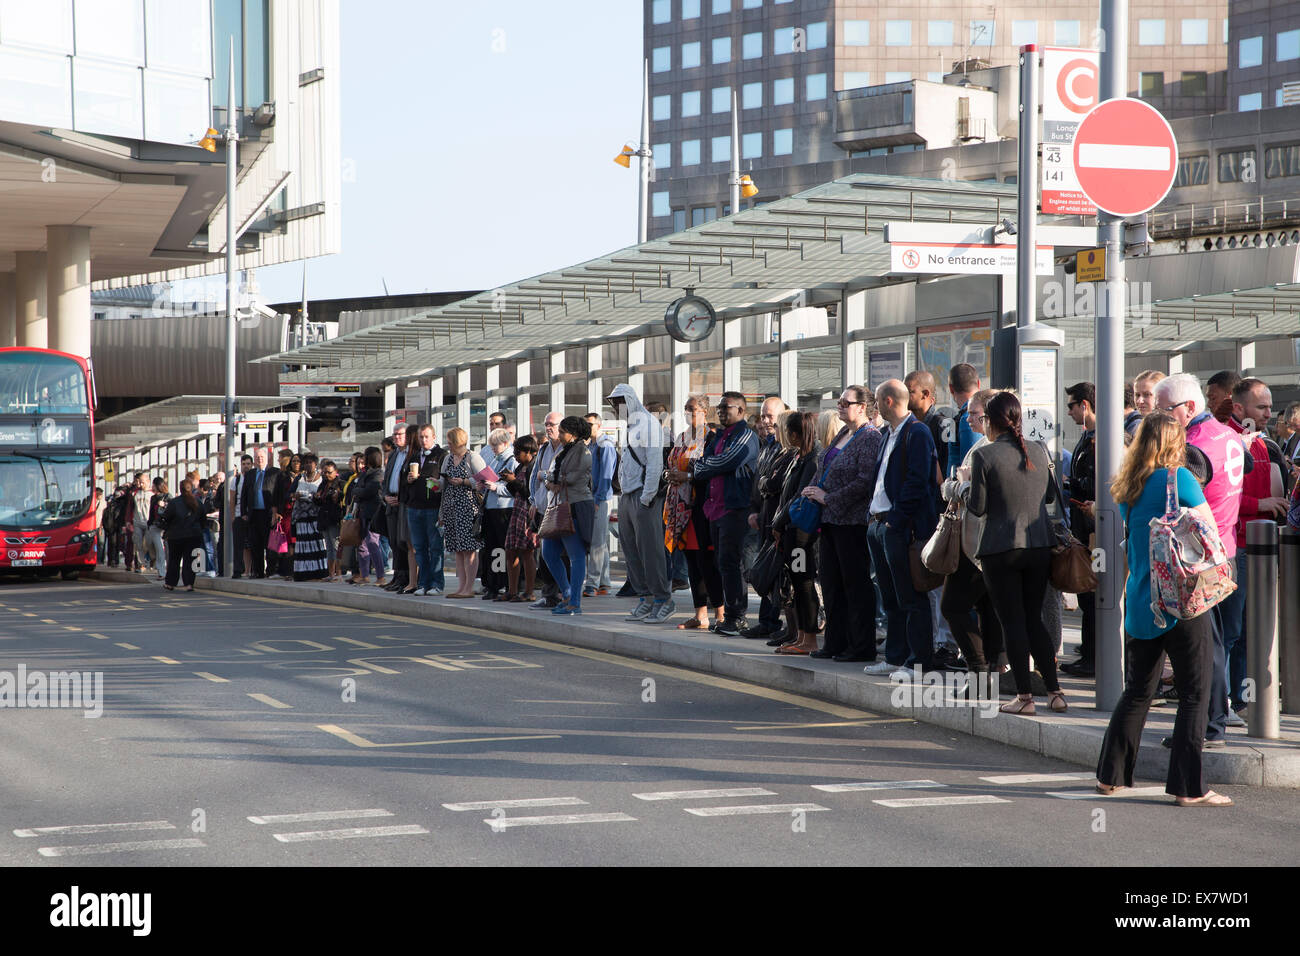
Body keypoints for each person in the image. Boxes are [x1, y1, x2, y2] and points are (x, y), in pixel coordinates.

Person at [1096, 412, 1232, 806]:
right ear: (1176, 443)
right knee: (1194, 693)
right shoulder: (1181, 479)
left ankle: (1111, 776)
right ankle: (1189, 788)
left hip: (1142, 600)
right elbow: (1208, 531)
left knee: (1138, 690)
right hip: (1182, 601)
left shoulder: (1129, 486)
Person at [963, 391, 1064, 713]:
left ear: (991, 422)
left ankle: (1024, 698)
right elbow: (1049, 497)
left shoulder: (985, 456)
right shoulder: (1036, 449)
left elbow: (977, 508)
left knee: (1012, 623)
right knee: (1034, 620)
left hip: (1000, 548)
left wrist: (965, 486)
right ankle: (1056, 693)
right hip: (1038, 546)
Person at [1157, 372, 1242, 749]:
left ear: (1188, 408)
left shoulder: (1194, 446)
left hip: (1201, 560)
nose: (1158, 418)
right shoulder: (1229, 435)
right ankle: (1212, 723)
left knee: (1205, 648)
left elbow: (1182, 504)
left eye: (1164, 410)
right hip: (1227, 550)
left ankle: (1209, 727)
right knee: (1216, 643)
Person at [801, 386, 882, 662]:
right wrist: (811, 490)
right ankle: (834, 643)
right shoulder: (844, 432)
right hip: (830, 520)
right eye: (839, 401)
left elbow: (864, 480)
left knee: (855, 585)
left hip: (851, 521)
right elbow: (824, 468)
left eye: (846, 402)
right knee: (831, 583)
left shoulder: (870, 437)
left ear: (862, 407)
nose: (840, 406)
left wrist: (829, 498)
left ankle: (860, 646)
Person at [867, 379, 940, 677]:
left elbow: (918, 480)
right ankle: (895, 658)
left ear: (887, 402)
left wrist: (897, 519)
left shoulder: (917, 432)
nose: (873, 407)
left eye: (875, 401)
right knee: (891, 597)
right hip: (877, 524)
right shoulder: (888, 433)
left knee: (911, 596)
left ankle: (919, 662)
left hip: (899, 527)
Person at [939, 387, 1003, 675]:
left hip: (977, 541)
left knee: (953, 605)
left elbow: (977, 498)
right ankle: (992, 665)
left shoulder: (987, 450)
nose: (967, 419)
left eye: (973, 413)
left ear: (989, 416)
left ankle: (979, 666)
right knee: (988, 606)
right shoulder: (985, 445)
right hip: (985, 541)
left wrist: (954, 486)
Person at [692, 391, 760, 634]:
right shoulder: (719, 436)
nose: (721, 411)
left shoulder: (746, 436)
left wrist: (705, 465)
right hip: (715, 509)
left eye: (726, 407)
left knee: (732, 564)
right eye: (719, 408)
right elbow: (700, 464)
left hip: (735, 508)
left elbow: (726, 462)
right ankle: (729, 615)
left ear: (741, 411)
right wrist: (705, 465)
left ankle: (736, 616)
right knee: (723, 564)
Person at [608, 384, 673, 622]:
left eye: (619, 402)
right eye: (613, 404)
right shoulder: (632, 426)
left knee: (651, 551)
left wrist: (647, 497)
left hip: (643, 496)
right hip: (628, 495)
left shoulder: (648, 424)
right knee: (631, 551)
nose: (616, 408)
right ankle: (645, 597)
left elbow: (655, 464)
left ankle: (662, 598)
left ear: (631, 400)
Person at [664, 396, 725, 631]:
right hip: (680, 507)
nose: (689, 412)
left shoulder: (712, 437)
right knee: (691, 562)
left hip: (701, 505)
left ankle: (720, 613)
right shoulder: (681, 436)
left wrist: (688, 476)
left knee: (706, 561)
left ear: (705, 411)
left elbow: (711, 469)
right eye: (686, 408)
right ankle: (700, 615)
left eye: (693, 409)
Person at [771, 411, 822, 655]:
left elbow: (797, 496)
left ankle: (809, 638)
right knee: (796, 583)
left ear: (794, 434)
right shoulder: (799, 457)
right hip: (791, 530)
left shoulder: (812, 459)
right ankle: (801, 636)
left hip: (802, 534)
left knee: (804, 584)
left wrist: (778, 523)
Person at [742, 396, 790, 640]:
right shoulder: (767, 444)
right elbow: (758, 481)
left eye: (770, 416)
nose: (765, 421)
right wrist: (754, 510)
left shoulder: (786, 445)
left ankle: (777, 621)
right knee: (764, 568)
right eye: (763, 416)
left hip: (778, 518)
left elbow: (778, 483)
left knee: (778, 572)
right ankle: (766, 619)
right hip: (763, 516)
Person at [539, 416, 595, 615]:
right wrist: (550, 479)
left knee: (576, 555)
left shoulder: (583, 451)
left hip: (576, 506)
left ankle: (575, 602)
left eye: (563, 431)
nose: (559, 434)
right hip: (559, 505)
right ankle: (568, 593)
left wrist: (547, 477)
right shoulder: (564, 450)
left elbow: (572, 477)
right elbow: (554, 477)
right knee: (549, 553)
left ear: (574, 434)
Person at [1061, 381, 1098, 677]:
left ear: (1084, 405)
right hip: (1084, 528)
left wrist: (1069, 484)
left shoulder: (1100, 440)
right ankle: (1090, 652)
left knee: (1092, 592)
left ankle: (1094, 658)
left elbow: (1097, 486)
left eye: (1072, 406)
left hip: (1094, 530)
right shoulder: (1087, 437)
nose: (1069, 412)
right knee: (1088, 594)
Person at [440, 427, 486, 598]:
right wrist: (436, 483)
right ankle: (461, 587)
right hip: (451, 508)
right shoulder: (448, 459)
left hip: (468, 507)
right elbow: (443, 483)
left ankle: (469, 587)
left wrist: (465, 481)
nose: (448, 445)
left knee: (469, 549)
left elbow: (485, 478)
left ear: (458, 442)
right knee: (458, 550)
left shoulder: (473, 457)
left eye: (450, 442)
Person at [529, 412, 567, 608]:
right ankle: (549, 593)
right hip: (544, 507)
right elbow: (534, 476)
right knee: (545, 554)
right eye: (546, 424)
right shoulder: (544, 449)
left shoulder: (567, 449)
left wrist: (545, 477)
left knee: (563, 553)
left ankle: (563, 593)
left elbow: (556, 477)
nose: (548, 428)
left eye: (552, 424)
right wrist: (533, 501)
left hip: (561, 507)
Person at [405, 424, 447, 596]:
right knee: (419, 547)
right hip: (414, 507)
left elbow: (444, 482)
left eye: (427, 437)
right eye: (421, 437)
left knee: (435, 547)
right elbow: (404, 483)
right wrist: (408, 480)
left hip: (433, 507)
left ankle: (437, 583)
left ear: (434, 437)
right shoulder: (414, 456)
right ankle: (423, 583)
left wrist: (431, 482)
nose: (423, 440)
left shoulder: (441, 456)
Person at [479, 427, 517, 600]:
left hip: (504, 508)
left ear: (505, 443)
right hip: (491, 507)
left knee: (503, 548)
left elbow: (516, 488)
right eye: (491, 445)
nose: (493, 448)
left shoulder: (512, 460)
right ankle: (493, 583)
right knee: (492, 548)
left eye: (496, 445)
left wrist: (496, 488)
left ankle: (503, 583)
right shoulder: (495, 459)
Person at [582, 412, 617, 597]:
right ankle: (604, 582)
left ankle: (593, 583)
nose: (587, 427)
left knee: (596, 541)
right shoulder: (593, 445)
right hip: (594, 497)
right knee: (600, 541)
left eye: (590, 424)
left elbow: (606, 475)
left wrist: (598, 499)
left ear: (599, 425)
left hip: (600, 498)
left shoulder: (605, 445)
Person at [240, 447, 287, 579]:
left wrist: (278, 511)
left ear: (267, 459)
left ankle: (271, 570)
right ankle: (258, 571)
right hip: (254, 514)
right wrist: (244, 512)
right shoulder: (250, 474)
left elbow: (280, 494)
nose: (259, 459)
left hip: (269, 513)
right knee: (255, 544)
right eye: (257, 457)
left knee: (270, 543)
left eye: (262, 457)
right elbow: (244, 494)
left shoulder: (275, 473)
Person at [503, 435, 539, 601]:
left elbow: (531, 494)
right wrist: (509, 480)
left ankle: (529, 592)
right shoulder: (520, 468)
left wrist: (514, 481)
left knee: (527, 552)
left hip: (528, 512)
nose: (516, 455)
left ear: (529, 451)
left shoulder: (534, 467)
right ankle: (512, 590)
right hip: (517, 510)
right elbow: (514, 492)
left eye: (518, 452)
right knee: (510, 551)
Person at [380, 426, 412, 592]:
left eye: (400, 434)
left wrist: (401, 497)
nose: (396, 437)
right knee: (393, 541)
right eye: (394, 434)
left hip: (403, 502)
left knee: (403, 542)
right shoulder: (393, 454)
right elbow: (385, 480)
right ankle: (397, 576)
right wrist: (385, 496)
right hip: (390, 501)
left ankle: (406, 577)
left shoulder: (411, 454)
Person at [288, 453, 328, 581]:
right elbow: (289, 494)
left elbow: (324, 495)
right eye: (306, 462)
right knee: (303, 545)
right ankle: (303, 574)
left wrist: (316, 496)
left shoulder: (322, 478)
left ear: (315, 464)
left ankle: (319, 574)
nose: (308, 465)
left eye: (311, 462)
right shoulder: (299, 478)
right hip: (301, 518)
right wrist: (296, 495)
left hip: (316, 516)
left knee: (317, 544)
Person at [350, 447, 386, 586]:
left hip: (374, 512)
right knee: (362, 545)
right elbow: (358, 489)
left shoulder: (377, 473)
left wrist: (358, 491)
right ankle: (364, 575)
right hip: (363, 512)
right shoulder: (365, 473)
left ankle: (380, 576)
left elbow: (368, 491)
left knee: (372, 542)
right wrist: (359, 491)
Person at [160, 478, 204, 592]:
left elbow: (166, 517)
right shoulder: (198, 502)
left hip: (176, 535)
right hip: (194, 535)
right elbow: (203, 519)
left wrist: (167, 529)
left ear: (180, 489)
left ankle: (170, 583)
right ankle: (189, 583)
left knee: (174, 559)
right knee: (190, 560)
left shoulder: (174, 503)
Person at [946, 363, 981, 477]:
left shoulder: (967, 419)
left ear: (951, 389)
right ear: (978, 383)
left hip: (962, 490)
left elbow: (969, 464)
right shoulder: (983, 414)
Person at [317, 459, 345, 582]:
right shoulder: (323, 484)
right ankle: (330, 573)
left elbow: (342, 500)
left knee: (336, 546)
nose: (327, 475)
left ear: (336, 472)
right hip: (324, 518)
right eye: (325, 472)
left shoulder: (340, 484)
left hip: (334, 518)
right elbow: (318, 501)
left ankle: (338, 573)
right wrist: (316, 497)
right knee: (328, 547)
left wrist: (337, 496)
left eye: (329, 472)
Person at [145, 477, 170, 579]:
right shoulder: (153, 498)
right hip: (155, 526)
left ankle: (166, 570)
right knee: (159, 549)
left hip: (165, 527)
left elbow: (172, 509)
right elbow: (151, 513)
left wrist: (165, 505)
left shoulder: (168, 497)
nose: (152, 487)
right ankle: (161, 572)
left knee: (166, 550)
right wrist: (149, 524)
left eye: (154, 485)